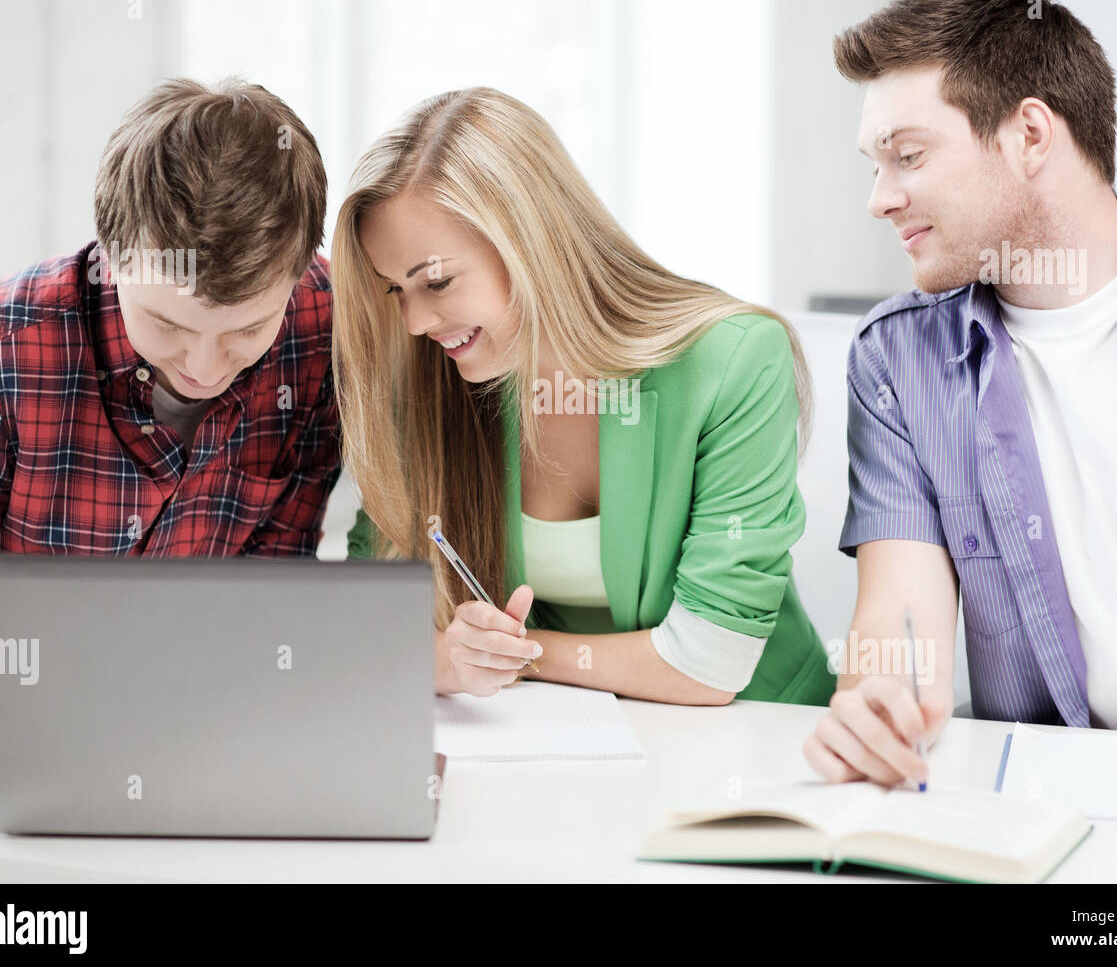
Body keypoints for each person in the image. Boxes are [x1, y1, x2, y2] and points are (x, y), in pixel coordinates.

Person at [804, 0, 1117, 787]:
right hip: (1076, 812)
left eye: (908, 155)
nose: (880, 198)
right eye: (874, 163)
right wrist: (879, 707)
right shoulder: (899, 361)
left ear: (1030, 133)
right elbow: (899, 635)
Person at [332, 87, 835, 706]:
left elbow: (710, 660)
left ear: (532, 239)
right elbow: (367, 623)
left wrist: (506, 658)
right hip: (554, 747)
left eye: (436, 281)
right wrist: (448, 660)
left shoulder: (733, 361)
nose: (414, 322)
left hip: (761, 740)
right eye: (394, 292)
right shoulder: (431, 380)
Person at [0, 78, 341, 727]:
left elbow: (273, 599)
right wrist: (72, 690)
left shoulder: (322, 329)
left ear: (297, 274)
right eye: (169, 325)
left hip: (207, 728)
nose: (206, 368)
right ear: (112, 255)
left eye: (245, 331)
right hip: (4, 737)